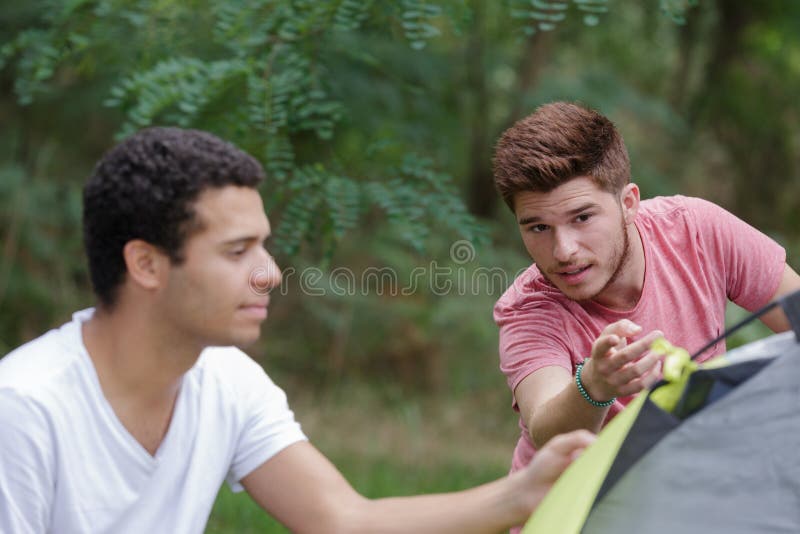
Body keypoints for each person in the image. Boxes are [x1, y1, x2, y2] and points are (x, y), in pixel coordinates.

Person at [0, 127, 593, 534]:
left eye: (262, 245)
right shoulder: (23, 411)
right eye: (237, 251)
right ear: (146, 264)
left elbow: (342, 520)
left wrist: (522, 494)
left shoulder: (225, 382)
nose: (269, 274)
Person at [491, 101, 800, 496]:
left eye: (582, 218)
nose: (563, 250)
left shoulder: (696, 230)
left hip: (694, 492)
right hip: (576, 510)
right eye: (538, 228)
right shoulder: (528, 307)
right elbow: (546, 430)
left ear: (628, 204)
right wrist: (593, 386)